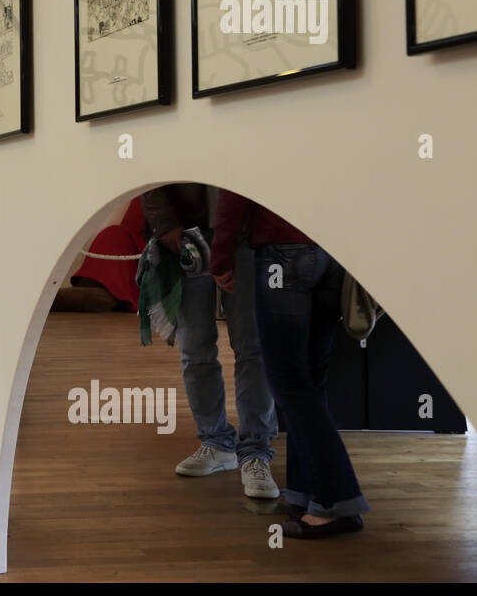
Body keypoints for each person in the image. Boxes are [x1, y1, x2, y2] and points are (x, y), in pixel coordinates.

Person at [211, 192, 368, 538]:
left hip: (283, 251)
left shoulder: (254, 134)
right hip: (332, 250)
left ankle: (337, 500)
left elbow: (235, 188)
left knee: (289, 382)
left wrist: (220, 256)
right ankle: (305, 493)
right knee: (311, 379)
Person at [141, 185, 279, 498]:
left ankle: (256, 451)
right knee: (194, 348)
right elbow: (149, 166)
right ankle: (215, 442)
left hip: (247, 229)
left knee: (253, 347)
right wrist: (163, 224)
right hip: (186, 234)